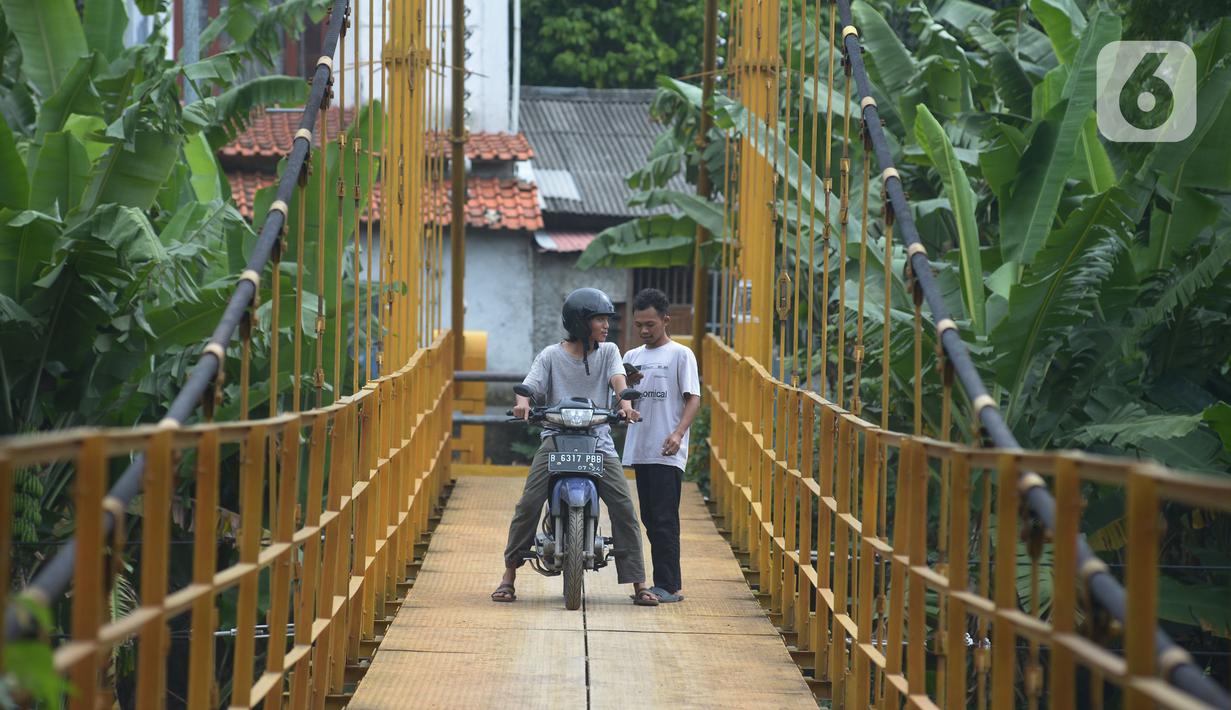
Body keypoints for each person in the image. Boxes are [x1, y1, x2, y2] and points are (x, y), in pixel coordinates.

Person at [491, 288, 660, 607]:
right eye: (599, 319)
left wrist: (625, 405)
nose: (606, 325)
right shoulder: (551, 356)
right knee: (528, 505)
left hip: (598, 441)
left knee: (624, 508)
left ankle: (639, 583)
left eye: (607, 319)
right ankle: (508, 577)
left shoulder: (609, 351)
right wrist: (522, 404)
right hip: (555, 439)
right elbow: (529, 385)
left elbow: (619, 382)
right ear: (580, 322)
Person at [621, 288, 701, 603]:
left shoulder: (681, 355)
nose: (644, 330)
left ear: (666, 321)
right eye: (639, 324)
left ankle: (669, 586)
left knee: (665, 517)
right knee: (650, 518)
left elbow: (693, 398)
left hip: (667, 450)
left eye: (650, 324)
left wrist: (679, 433)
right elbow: (622, 396)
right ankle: (662, 583)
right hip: (641, 447)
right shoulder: (631, 357)